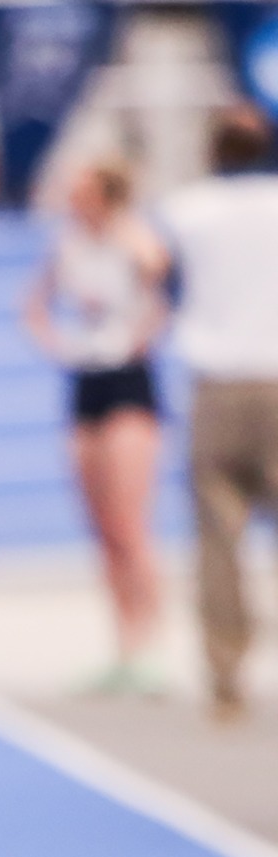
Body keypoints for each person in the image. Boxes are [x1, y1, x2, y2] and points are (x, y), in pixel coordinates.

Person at [25, 161, 169, 693]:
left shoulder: (135, 240)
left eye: (82, 192)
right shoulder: (67, 245)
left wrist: (140, 333)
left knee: (131, 524)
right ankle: (120, 645)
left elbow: (165, 288)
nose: (72, 201)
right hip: (85, 381)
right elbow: (35, 304)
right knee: (102, 526)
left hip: (129, 384)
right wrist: (56, 343)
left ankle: (149, 646)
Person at [158, 104, 278, 723]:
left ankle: (227, 675)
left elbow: (161, 284)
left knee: (218, 539)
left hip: (220, 386)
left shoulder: (188, 212)